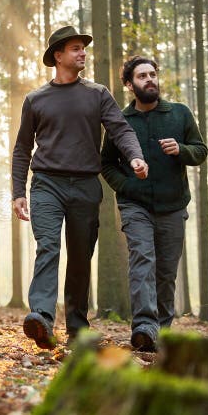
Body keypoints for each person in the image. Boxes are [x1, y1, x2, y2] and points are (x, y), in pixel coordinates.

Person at [12, 25, 148, 349]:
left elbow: (121, 130)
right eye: (75, 48)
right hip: (46, 183)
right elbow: (21, 149)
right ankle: (42, 317)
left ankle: (76, 328)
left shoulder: (97, 94)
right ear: (57, 56)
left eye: (83, 48)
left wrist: (135, 157)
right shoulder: (35, 100)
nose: (82, 52)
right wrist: (18, 191)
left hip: (86, 185)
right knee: (48, 246)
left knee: (80, 257)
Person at [101, 56, 207, 352]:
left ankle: (161, 331)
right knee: (142, 260)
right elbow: (106, 164)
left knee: (166, 272)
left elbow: (201, 151)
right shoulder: (120, 122)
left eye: (152, 74)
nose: (150, 80)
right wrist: (127, 186)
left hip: (173, 206)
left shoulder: (180, 114)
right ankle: (144, 326)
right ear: (129, 84)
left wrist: (181, 150)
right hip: (135, 205)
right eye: (142, 76)